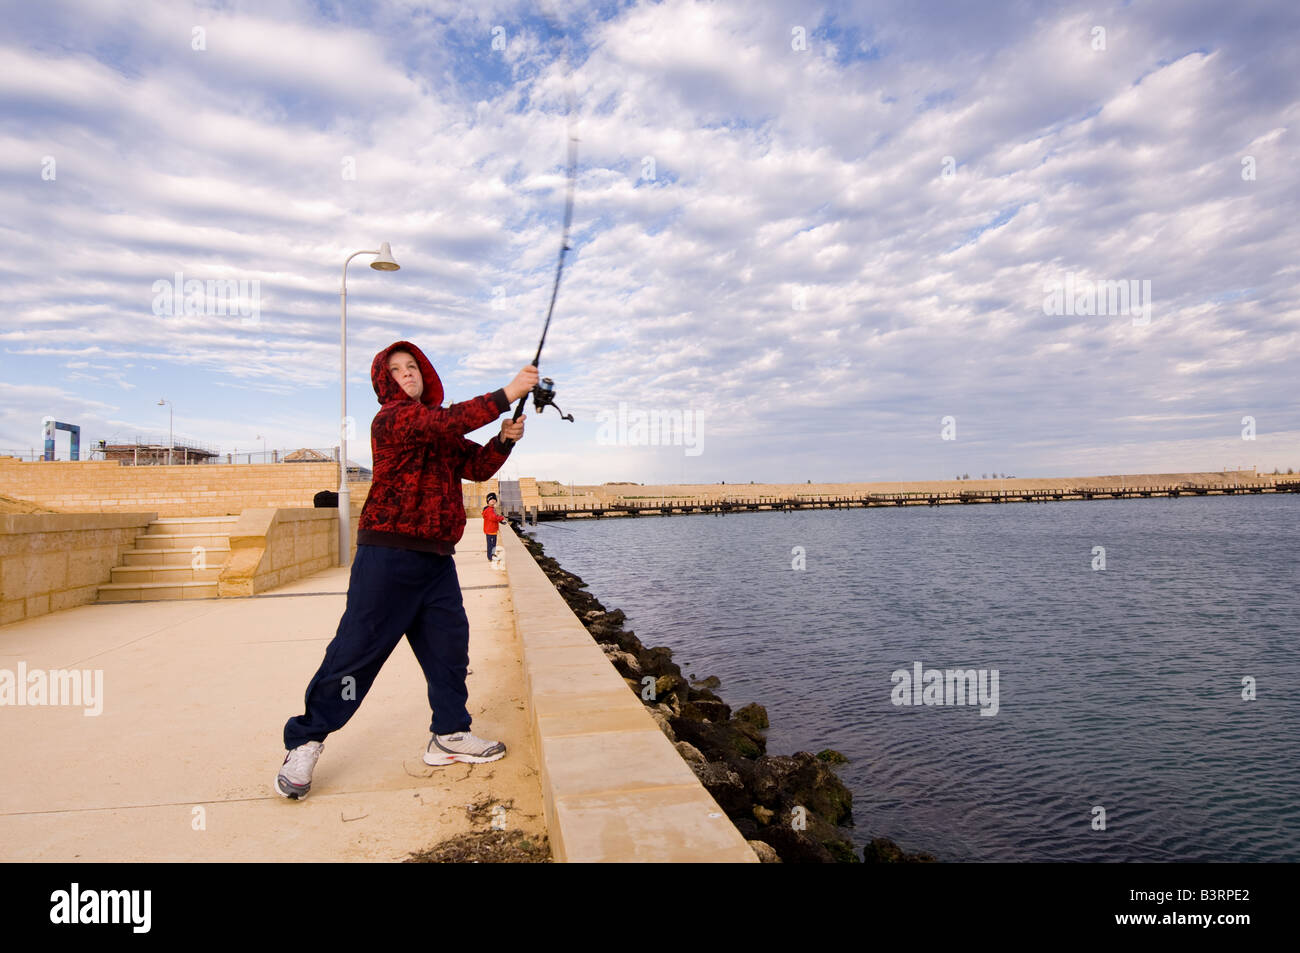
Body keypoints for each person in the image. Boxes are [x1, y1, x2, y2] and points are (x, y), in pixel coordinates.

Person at [274, 340, 537, 800]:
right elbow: (451, 419)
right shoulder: (392, 419)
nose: (407, 374)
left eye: (412, 366)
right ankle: (306, 740)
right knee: (356, 654)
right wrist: (509, 392)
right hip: (388, 557)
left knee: (449, 648)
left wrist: (502, 440)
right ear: (385, 382)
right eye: (396, 370)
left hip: (436, 559)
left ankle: (450, 734)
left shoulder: (438, 431)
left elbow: (474, 467)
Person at [482, 492, 506, 561]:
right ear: (488, 501)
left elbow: (494, 517)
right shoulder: (489, 510)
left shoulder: (491, 508)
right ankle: (490, 557)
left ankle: (492, 554)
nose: (492, 500)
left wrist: (500, 521)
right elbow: (493, 518)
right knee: (491, 545)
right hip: (490, 530)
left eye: (494, 499)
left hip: (492, 530)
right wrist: (501, 518)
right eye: (490, 499)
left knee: (493, 544)